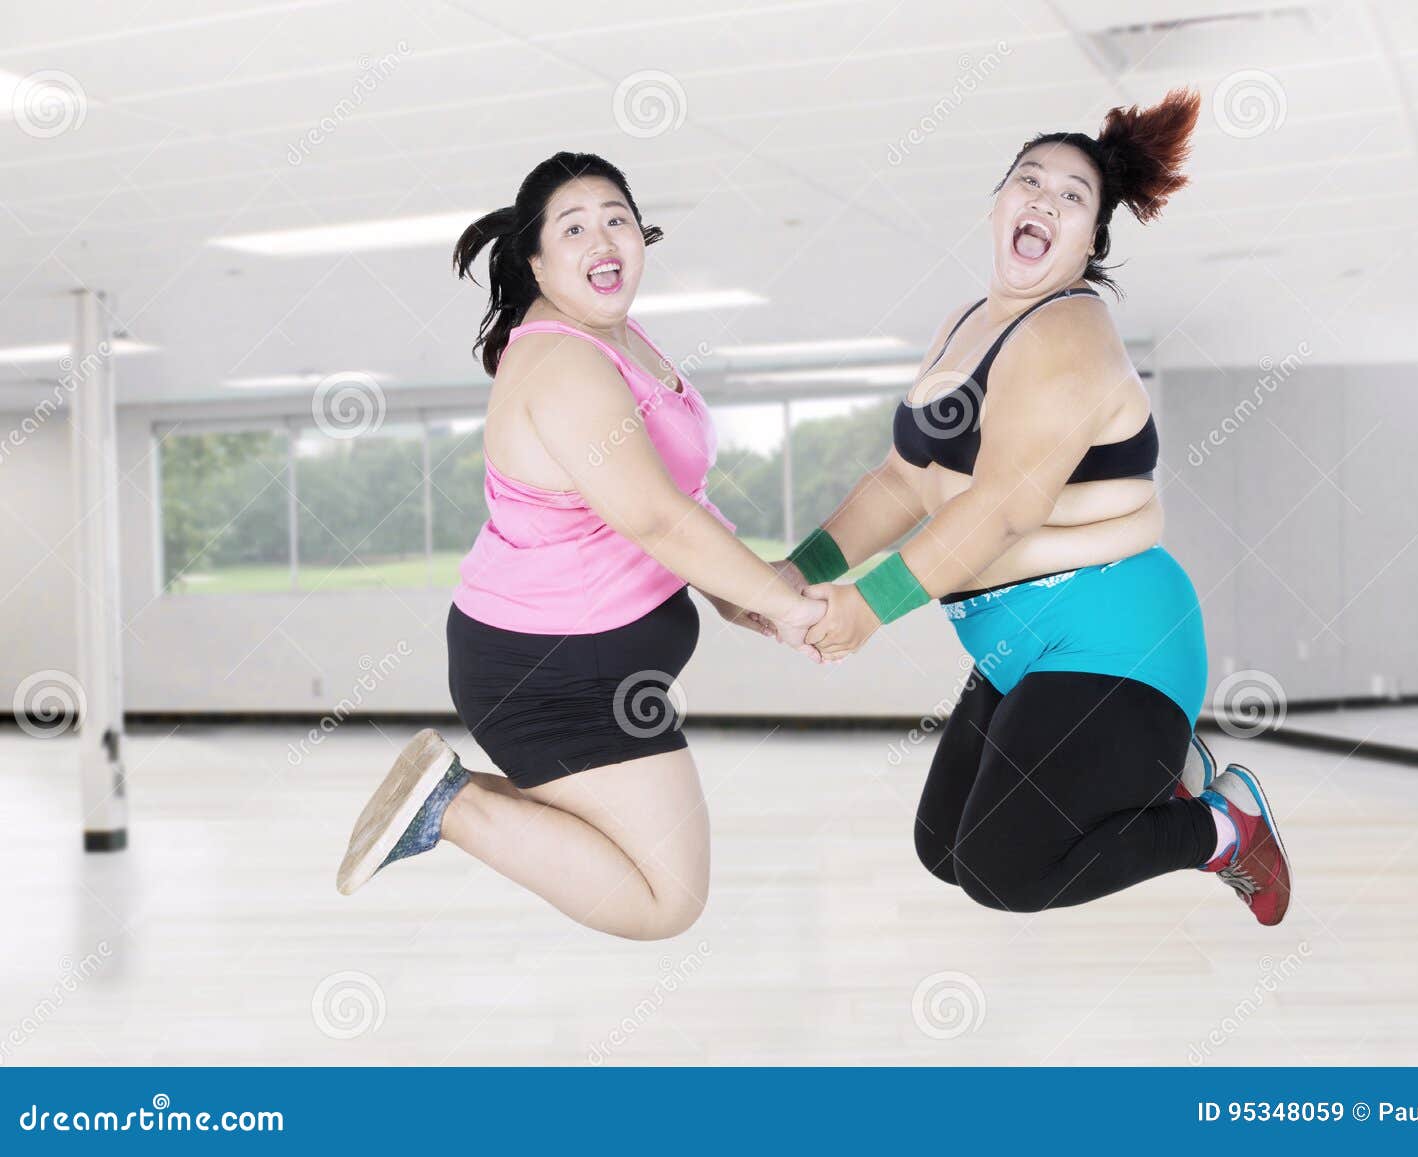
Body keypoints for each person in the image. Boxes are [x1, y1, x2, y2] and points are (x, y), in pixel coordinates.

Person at [770, 89, 1292, 926]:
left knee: (1003, 867)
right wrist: (798, 572)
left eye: (1072, 196)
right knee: (943, 847)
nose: (1044, 198)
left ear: (1089, 242)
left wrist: (868, 607)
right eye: (1029, 179)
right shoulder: (966, 323)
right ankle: (1173, 769)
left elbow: (1005, 506)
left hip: (1114, 638)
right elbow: (902, 482)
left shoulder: (1068, 335)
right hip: (1017, 645)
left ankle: (1220, 823)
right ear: (997, 205)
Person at [335, 152, 824, 940]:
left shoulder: (619, 339)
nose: (602, 238)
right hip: (548, 669)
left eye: (616, 219)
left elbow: (681, 497)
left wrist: (743, 590)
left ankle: (445, 796)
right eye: (574, 227)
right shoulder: (562, 360)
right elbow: (655, 519)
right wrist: (786, 605)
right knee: (663, 900)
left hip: (590, 660)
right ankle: (449, 805)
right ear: (536, 260)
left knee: (655, 873)